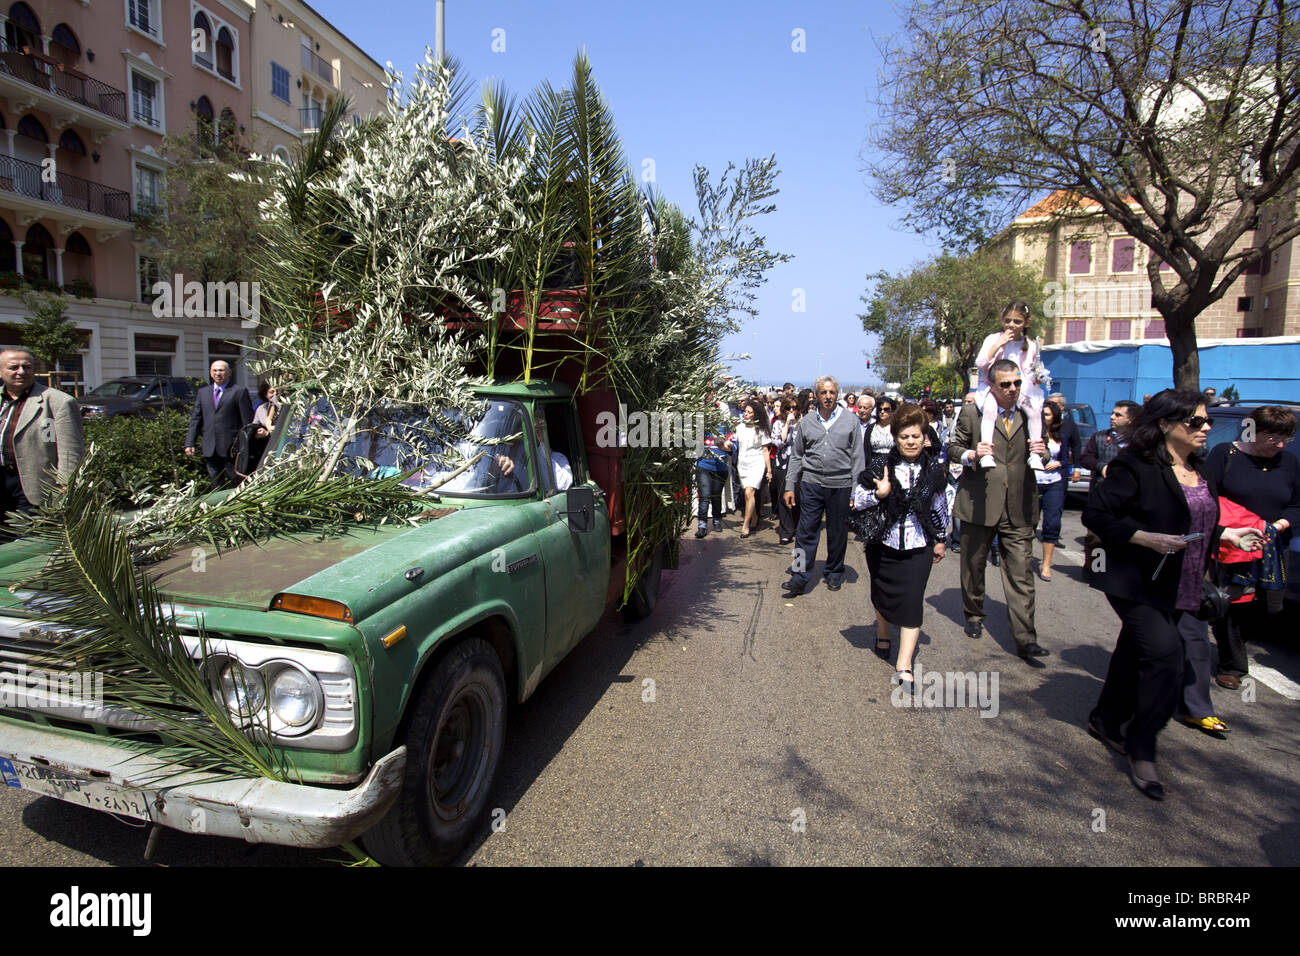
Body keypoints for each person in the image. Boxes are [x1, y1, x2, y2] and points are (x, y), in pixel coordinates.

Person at [1082, 389, 1262, 799]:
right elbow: (1096, 514)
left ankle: (1105, 720)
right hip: (1133, 578)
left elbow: (1194, 518)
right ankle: (1143, 748)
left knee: (1134, 651)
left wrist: (1228, 533)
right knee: (1166, 657)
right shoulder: (1136, 465)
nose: (1205, 428)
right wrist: (1144, 538)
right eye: (1195, 422)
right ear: (1165, 425)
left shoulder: (1199, 468)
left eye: (1206, 421)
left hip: (1180, 580)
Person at [946, 359, 1050, 662]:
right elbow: (953, 447)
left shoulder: (1030, 410)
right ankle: (974, 614)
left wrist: (1045, 451)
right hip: (980, 503)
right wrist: (970, 454)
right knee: (973, 566)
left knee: (1020, 574)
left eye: (1017, 382)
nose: (1013, 389)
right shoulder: (972, 412)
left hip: (1019, 505)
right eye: (1005, 384)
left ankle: (1025, 639)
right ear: (992, 385)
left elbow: (1044, 444)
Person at [1202, 406, 1300, 691]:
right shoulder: (1225, 454)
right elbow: (1209, 498)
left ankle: (1234, 646)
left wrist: (1279, 525)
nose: (1280, 446)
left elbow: (1296, 504)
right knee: (1232, 602)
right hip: (1233, 544)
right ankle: (1231, 665)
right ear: (1253, 430)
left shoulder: (1289, 462)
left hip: (1272, 545)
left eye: (1286, 439)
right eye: (1273, 439)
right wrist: (1229, 531)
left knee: (1268, 605)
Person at [853, 403, 948, 688]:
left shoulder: (934, 471)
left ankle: (904, 664)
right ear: (896, 438)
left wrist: (941, 539)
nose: (910, 441)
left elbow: (941, 507)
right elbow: (857, 500)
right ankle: (883, 633)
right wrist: (879, 494)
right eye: (905, 436)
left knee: (912, 601)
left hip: (919, 547)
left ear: (924, 437)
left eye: (916, 436)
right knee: (881, 594)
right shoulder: (880, 466)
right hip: (883, 543)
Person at [783, 375, 863, 597]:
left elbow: (858, 458)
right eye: (823, 393)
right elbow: (797, 456)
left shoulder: (851, 421)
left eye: (832, 393)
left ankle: (834, 571)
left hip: (841, 485)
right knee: (804, 532)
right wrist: (790, 485)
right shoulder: (807, 422)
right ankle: (798, 576)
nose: (828, 397)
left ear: (837, 394)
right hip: (811, 484)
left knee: (837, 532)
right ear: (816, 396)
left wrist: (856, 491)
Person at [0, 348, 84, 534]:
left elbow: (71, 450)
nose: (21, 371)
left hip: (35, 486)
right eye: (14, 367)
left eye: (27, 367)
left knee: (27, 543)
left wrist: (66, 485)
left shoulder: (58, 402)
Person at [973, 301, 1051, 471]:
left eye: (1017, 321)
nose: (1011, 325)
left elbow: (1029, 370)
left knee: (1034, 412)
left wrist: (1037, 376)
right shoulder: (993, 339)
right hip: (993, 387)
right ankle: (987, 452)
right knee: (990, 410)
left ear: (1026, 323)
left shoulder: (1030, 345)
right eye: (1008, 320)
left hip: (1019, 388)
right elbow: (980, 363)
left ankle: (1035, 454)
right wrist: (999, 344)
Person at [185, 360, 253, 491]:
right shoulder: (203, 393)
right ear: (210, 373)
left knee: (237, 484)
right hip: (210, 448)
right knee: (215, 485)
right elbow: (196, 419)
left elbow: (247, 422)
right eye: (215, 371)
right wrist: (189, 442)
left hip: (232, 449)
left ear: (229, 373)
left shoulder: (239, 391)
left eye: (221, 370)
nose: (218, 373)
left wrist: (246, 445)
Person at [1035, 400, 1067, 581]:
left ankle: (1046, 564)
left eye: (1047, 414)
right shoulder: (1032, 432)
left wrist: (1059, 462)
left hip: (1054, 482)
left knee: (1052, 523)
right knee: (1028, 523)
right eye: (1042, 414)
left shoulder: (1060, 434)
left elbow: (1066, 456)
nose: (1043, 417)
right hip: (1034, 481)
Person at [736, 399, 773, 538]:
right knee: (747, 493)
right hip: (743, 463)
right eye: (745, 411)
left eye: (749, 412)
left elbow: (765, 451)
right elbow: (734, 443)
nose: (746, 414)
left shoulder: (761, 430)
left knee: (749, 493)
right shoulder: (739, 427)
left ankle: (746, 525)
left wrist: (769, 470)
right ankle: (755, 516)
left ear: (755, 414)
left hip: (757, 464)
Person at [1081, 400, 1139, 481]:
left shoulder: (1140, 440)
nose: (1112, 417)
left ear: (1131, 420)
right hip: (1102, 488)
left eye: (1118, 415)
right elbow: (1086, 458)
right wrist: (1101, 467)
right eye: (1113, 413)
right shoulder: (1100, 436)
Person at [695, 417, 734, 538]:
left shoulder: (726, 425)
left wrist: (725, 446)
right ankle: (702, 525)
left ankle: (716, 520)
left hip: (720, 468)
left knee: (716, 495)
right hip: (704, 466)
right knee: (705, 496)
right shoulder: (701, 424)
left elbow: (733, 447)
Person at [769, 396, 799, 544]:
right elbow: (780, 443)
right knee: (783, 497)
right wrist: (787, 424)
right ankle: (786, 530)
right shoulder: (778, 424)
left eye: (794, 408)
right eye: (788, 408)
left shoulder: (803, 424)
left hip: (800, 465)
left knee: (798, 497)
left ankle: (796, 526)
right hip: (782, 465)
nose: (791, 411)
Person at [1049, 391, 1083, 484]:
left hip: (1061, 470)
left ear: (1062, 406)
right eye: (1048, 404)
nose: (1051, 407)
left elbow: (1076, 446)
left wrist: (1077, 468)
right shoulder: (1040, 424)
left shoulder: (1070, 425)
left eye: (1054, 404)